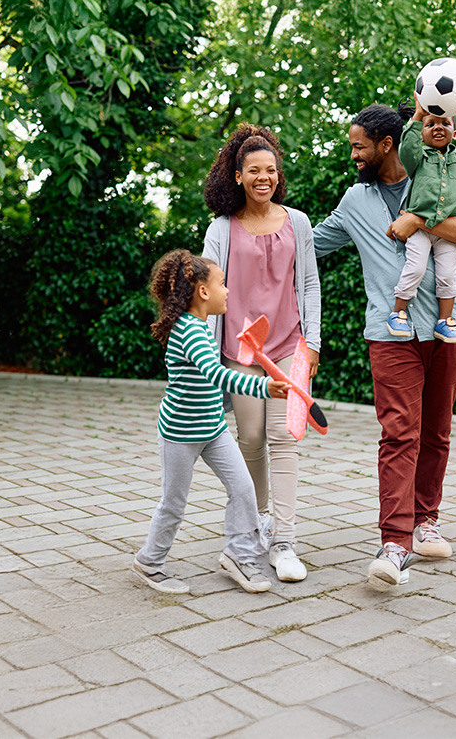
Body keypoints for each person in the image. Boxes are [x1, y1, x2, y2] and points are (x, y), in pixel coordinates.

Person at [312, 102, 456, 587]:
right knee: (399, 434)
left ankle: (425, 520)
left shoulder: (441, 177)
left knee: (436, 432)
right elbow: (308, 243)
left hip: (448, 326)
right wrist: (254, 222)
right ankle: (395, 542)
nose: (353, 155)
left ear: (386, 144)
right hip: (390, 334)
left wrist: (419, 220)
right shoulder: (355, 200)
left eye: (359, 147)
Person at [132, 249, 290, 595]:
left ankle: (239, 555)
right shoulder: (189, 331)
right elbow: (216, 374)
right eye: (222, 284)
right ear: (203, 291)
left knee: (243, 489)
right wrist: (263, 386)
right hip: (180, 433)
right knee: (173, 504)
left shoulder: (202, 326)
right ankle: (149, 561)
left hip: (213, 428)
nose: (227, 290)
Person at [203, 124, 321, 582]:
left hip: (289, 346)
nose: (263, 178)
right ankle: (259, 523)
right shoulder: (221, 229)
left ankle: (285, 541)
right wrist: (205, 355)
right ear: (237, 176)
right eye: (254, 170)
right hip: (241, 352)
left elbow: (308, 284)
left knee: (284, 438)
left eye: (270, 170)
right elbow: (207, 292)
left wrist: (313, 342)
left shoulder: (298, 222)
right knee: (250, 438)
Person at [388, 87, 456, 344]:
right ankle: (398, 312)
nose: (438, 127)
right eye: (430, 124)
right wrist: (418, 114)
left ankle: (445, 322)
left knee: (448, 275)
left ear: (454, 133)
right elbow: (407, 148)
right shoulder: (417, 161)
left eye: (445, 123)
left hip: (446, 231)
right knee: (415, 268)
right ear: (422, 133)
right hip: (420, 230)